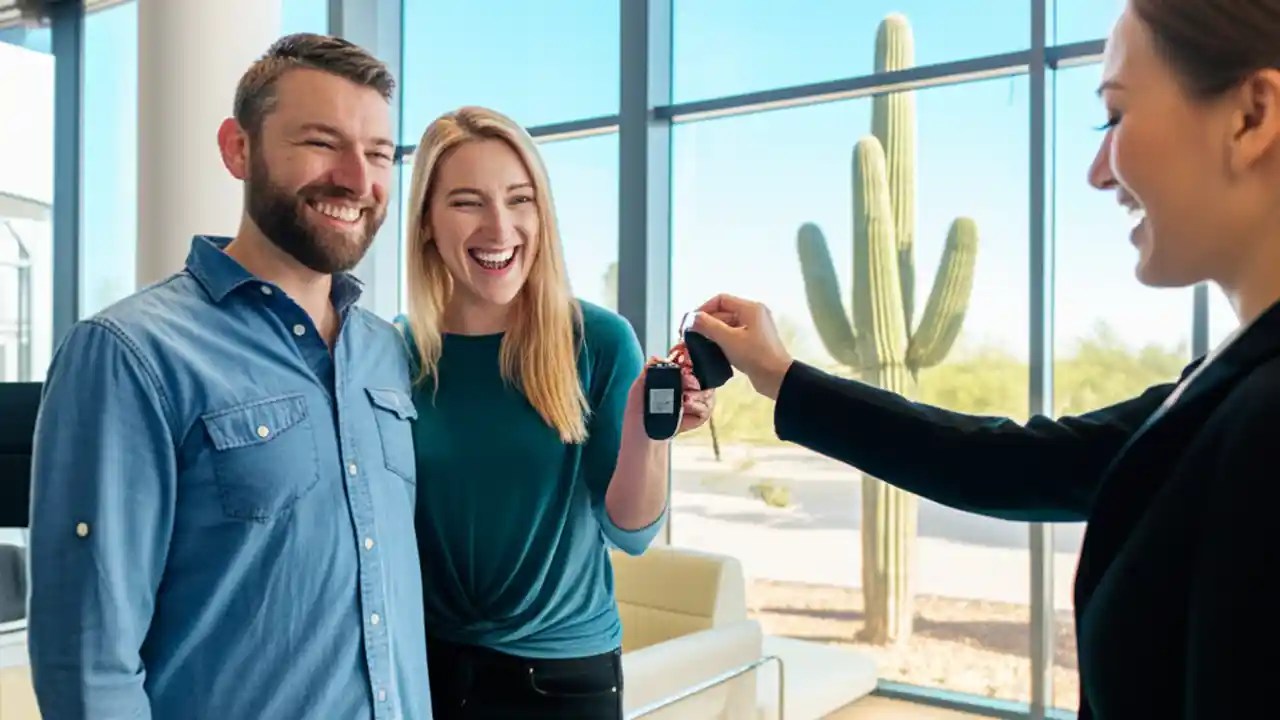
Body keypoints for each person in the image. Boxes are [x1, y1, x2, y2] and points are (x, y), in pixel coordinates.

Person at [689, 2, 1280, 718]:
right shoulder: (1224, 391)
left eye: (1114, 116)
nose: (1099, 171)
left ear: (1252, 116)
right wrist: (778, 375)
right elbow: (1009, 463)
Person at [27, 34, 431, 719]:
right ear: (238, 149)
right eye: (321, 142)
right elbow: (89, 663)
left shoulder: (386, 351)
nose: (358, 181)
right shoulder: (129, 354)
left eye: (378, 154)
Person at [395, 105, 713, 719]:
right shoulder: (395, 353)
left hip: (562, 677)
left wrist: (647, 432)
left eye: (519, 200)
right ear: (428, 223)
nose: (499, 227)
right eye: (466, 202)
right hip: (427, 667)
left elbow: (633, 532)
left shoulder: (597, 340)